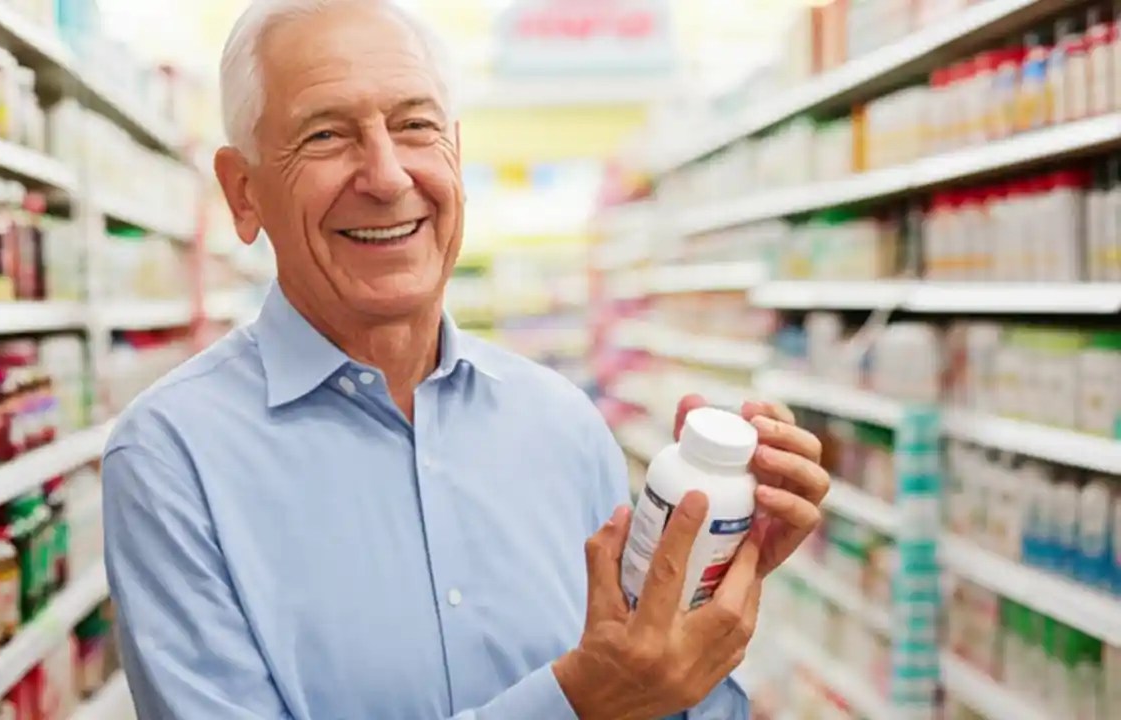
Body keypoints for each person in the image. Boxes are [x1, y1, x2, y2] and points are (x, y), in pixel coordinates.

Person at [101, 1, 830, 718]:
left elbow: (656, 697)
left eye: (415, 125)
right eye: (326, 135)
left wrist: (708, 596)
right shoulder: (171, 458)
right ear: (243, 191)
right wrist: (576, 704)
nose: (387, 177)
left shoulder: (563, 427)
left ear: (454, 149)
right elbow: (604, 698)